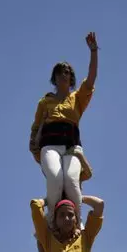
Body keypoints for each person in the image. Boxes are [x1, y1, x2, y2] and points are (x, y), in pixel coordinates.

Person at [30, 33, 99, 221]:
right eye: (60, 71)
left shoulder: (77, 98)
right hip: (49, 146)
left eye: (67, 72)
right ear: (55, 77)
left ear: (71, 78)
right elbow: (36, 128)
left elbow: (91, 79)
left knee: (70, 181)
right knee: (55, 178)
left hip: (72, 148)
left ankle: (76, 223)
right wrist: (34, 145)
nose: (64, 74)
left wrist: (93, 51)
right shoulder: (45, 101)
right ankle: (53, 221)